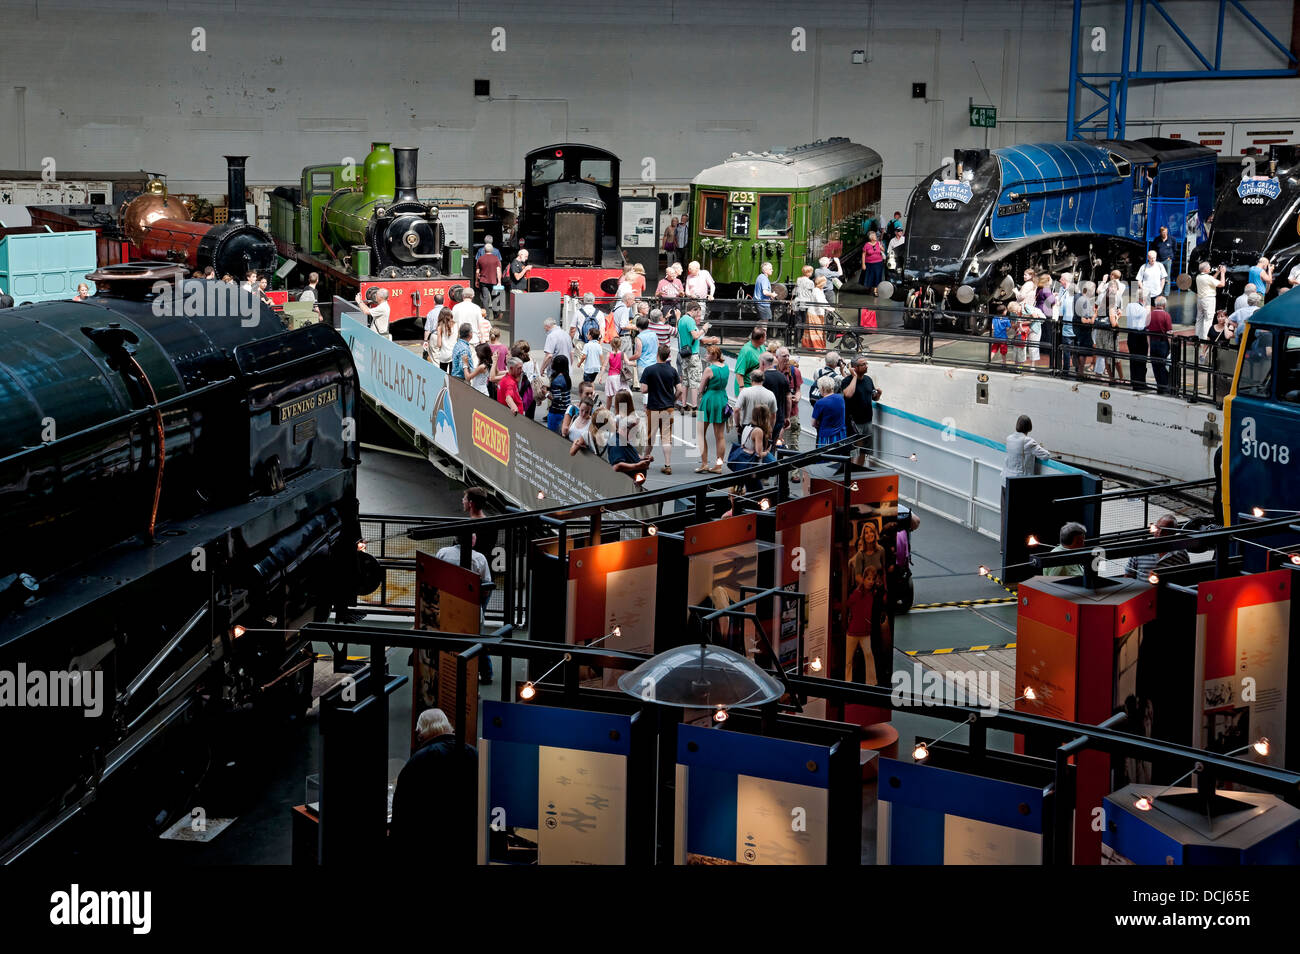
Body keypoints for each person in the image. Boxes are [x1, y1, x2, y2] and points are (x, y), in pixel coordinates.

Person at [390, 708, 478, 864]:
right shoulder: (473, 753)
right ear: (448, 727)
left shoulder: (419, 760)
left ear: (420, 732)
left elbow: (403, 808)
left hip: (429, 846)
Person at [640, 345, 683, 474]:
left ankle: (644, 462)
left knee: (650, 438)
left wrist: (653, 386)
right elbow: (680, 389)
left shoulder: (649, 370)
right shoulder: (672, 371)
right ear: (668, 356)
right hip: (668, 408)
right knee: (666, 438)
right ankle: (667, 465)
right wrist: (673, 401)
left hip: (653, 407)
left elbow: (643, 389)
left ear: (657, 354)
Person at [840, 355, 880, 465]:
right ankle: (850, 472)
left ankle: (859, 471)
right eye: (863, 365)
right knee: (854, 450)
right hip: (854, 423)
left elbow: (873, 397)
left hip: (867, 421)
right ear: (855, 367)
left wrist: (878, 394)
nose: (866, 366)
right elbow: (848, 394)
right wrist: (854, 377)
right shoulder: (847, 381)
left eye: (866, 364)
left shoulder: (868, 380)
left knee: (864, 450)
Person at [696, 345, 730, 473]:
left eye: (708, 353)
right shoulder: (726, 367)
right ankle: (719, 465)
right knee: (720, 436)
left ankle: (704, 463)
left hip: (708, 400)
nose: (706, 355)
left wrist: (700, 395)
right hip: (721, 398)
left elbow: (700, 388)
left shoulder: (709, 369)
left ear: (714, 355)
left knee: (700, 433)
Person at [677, 301, 715, 412]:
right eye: (698, 312)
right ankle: (694, 406)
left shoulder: (681, 320)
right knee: (694, 381)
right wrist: (704, 329)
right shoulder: (690, 320)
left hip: (683, 353)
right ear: (694, 310)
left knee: (685, 381)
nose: (698, 315)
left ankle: (683, 405)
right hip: (693, 354)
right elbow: (695, 335)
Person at [1124, 514, 1189, 579]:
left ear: (1173, 533)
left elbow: (1185, 577)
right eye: (1158, 528)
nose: (1159, 532)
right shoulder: (1140, 549)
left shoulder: (1181, 553)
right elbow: (1128, 575)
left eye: (1165, 530)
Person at [1001, 414, 1050, 480]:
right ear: (1029, 427)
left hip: (1006, 478)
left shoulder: (1009, 438)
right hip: (1019, 480)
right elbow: (1046, 455)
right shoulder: (1028, 441)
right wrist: (1038, 447)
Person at [1194, 262, 1227, 352]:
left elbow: (1211, 280)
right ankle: (1205, 341)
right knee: (1208, 320)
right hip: (1208, 300)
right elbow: (1222, 284)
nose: (1210, 269)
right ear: (1205, 269)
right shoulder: (1207, 278)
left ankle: (1197, 339)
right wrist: (1223, 273)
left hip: (1200, 300)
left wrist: (1217, 273)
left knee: (1199, 319)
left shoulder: (1199, 277)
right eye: (1209, 268)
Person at [762, 350, 792, 449]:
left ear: (762, 363)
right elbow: (788, 397)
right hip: (779, 416)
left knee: (761, 446)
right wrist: (787, 416)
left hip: (763, 418)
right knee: (773, 445)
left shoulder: (762, 378)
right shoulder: (783, 377)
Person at [1147, 295, 1174, 394]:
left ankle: (1159, 386)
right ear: (1164, 304)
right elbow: (1169, 332)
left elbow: (1147, 331)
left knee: (1155, 365)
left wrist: (1149, 346)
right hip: (1163, 343)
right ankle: (1165, 387)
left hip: (1153, 343)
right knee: (1163, 365)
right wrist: (1171, 347)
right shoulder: (1166, 315)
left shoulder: (1150, 315)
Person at [1125, 290, 1151, 391]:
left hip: (1131, 335)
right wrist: (1147, 308)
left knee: (1133, 360)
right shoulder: (1143, 310)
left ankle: (1134, 381)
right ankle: (1140, 383)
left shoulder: (1130, 305)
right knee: (1141, 360)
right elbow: (1147, 322)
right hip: (1140, 335)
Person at [733, 325, 766, 399]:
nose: (766, 339)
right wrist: (742, 389)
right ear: (761, 338)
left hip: (757, 386)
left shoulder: (762, 347)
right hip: (747, 388)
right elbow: (739, 372)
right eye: (765, 336)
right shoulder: (746, 351)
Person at [811, 376, 846, 446]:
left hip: (827, 436)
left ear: (822, 388)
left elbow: (813, 423)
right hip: (841, 434)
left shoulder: (820, 403)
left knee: (826, 455)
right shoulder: (841, 398)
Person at [476, 237, 505, 321]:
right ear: (492, 250)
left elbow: (477, 271)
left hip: (483, 280)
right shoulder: (496, 259)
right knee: (494, 297)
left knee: (485, 298)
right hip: (494, 280)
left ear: (484, 250)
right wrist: (499, 281)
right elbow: (498, 270)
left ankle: (486, 316)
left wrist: (477, 280)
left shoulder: (480, 259)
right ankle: (496, 315)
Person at [1072, 279, 1097, 378]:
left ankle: (1079, 370)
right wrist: (1094, 316)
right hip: (1083, 329)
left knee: (1079, 350)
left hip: (1076, 326)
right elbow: (1084, 320)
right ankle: (1081, 372)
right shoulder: (1085, 301)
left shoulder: (1076, 296)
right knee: (1083, 351)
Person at [426, 292, 455, 369]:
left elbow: (427, 329)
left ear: (434, 302)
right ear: (444, 300)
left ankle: (438, 372)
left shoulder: (430, 313)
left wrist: (425, 340)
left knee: (435, 357)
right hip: (447, 334)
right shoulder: (449, 312)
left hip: (435, 336)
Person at [545, 355, 573, 432]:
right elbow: (562, 392)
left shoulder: (556, 381)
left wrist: (546, 394)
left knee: (553, 435)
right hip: (566, 411)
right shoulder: (566, 377)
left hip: (556, 413)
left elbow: (557, 399)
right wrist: (549, 388)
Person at [633, 313, 659, 388]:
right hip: (654, 364)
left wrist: (629, 359)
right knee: (653, 388)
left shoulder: (639, 337)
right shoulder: (654, 334)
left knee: (645, 390)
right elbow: (658, 348)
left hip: (643, 365)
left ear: (637, 326)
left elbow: (638, 354)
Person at [1152, 225, 1175, 295]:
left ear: (1167, 232)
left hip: (1167, 261)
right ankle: (1158, 292)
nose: (1164, 234)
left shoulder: (1172, 239)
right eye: (1163, 232)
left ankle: (1166, 294)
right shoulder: (1156, 240)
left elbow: (1174, 250)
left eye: (1165, 232)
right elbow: (1153, 249)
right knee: (1158, 277)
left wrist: (1170, 257)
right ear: (1160, 233)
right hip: (1158, 261)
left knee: (1167, 277)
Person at [603, 339, 626, 405]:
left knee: (609, 397)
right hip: (619, 377)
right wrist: (635, 364)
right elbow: (628, 362)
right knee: (620, 396)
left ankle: (607, 412)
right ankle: (621, 412)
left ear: (611, 344)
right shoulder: (622, 354)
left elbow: (604, 366)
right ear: (620, 345)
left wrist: (600, 376)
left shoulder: (609, 354)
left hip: (611, 377)